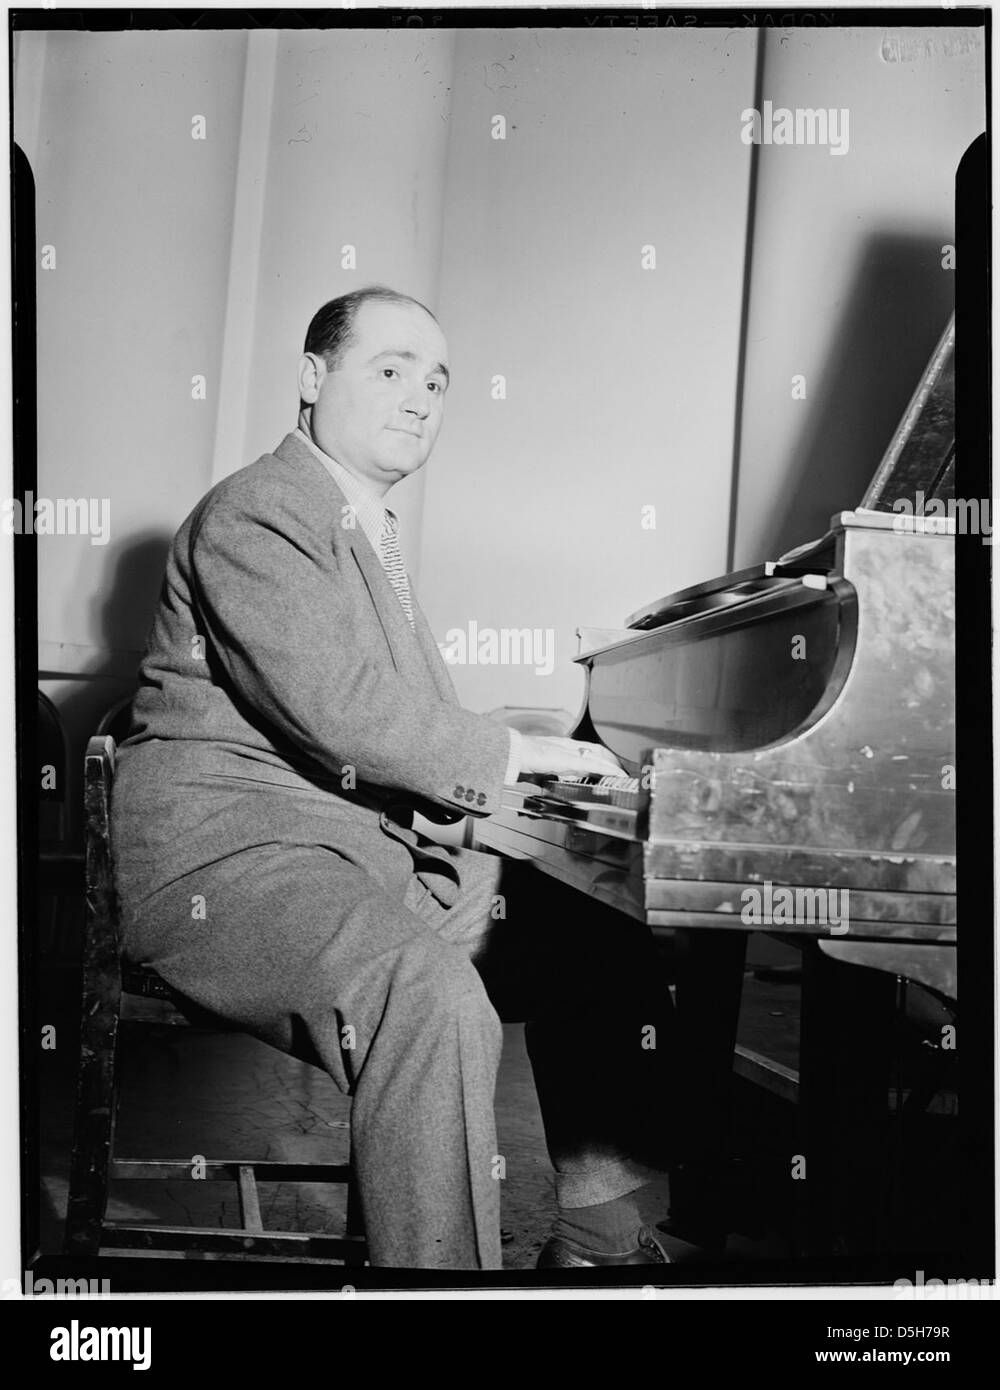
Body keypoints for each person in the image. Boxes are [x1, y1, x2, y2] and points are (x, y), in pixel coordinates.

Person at [111, 284, 682, 1270]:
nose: (420, 398)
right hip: (230, 867)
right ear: (311, 377)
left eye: (438, 382)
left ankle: (601, 1237)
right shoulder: (262, 508)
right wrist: (526, 755)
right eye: (389, 370)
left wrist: (538, 771)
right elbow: (344, 713)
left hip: (351, 860)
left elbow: (401, 740)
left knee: (597, 917)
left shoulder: (362, 531)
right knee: (429, 996)